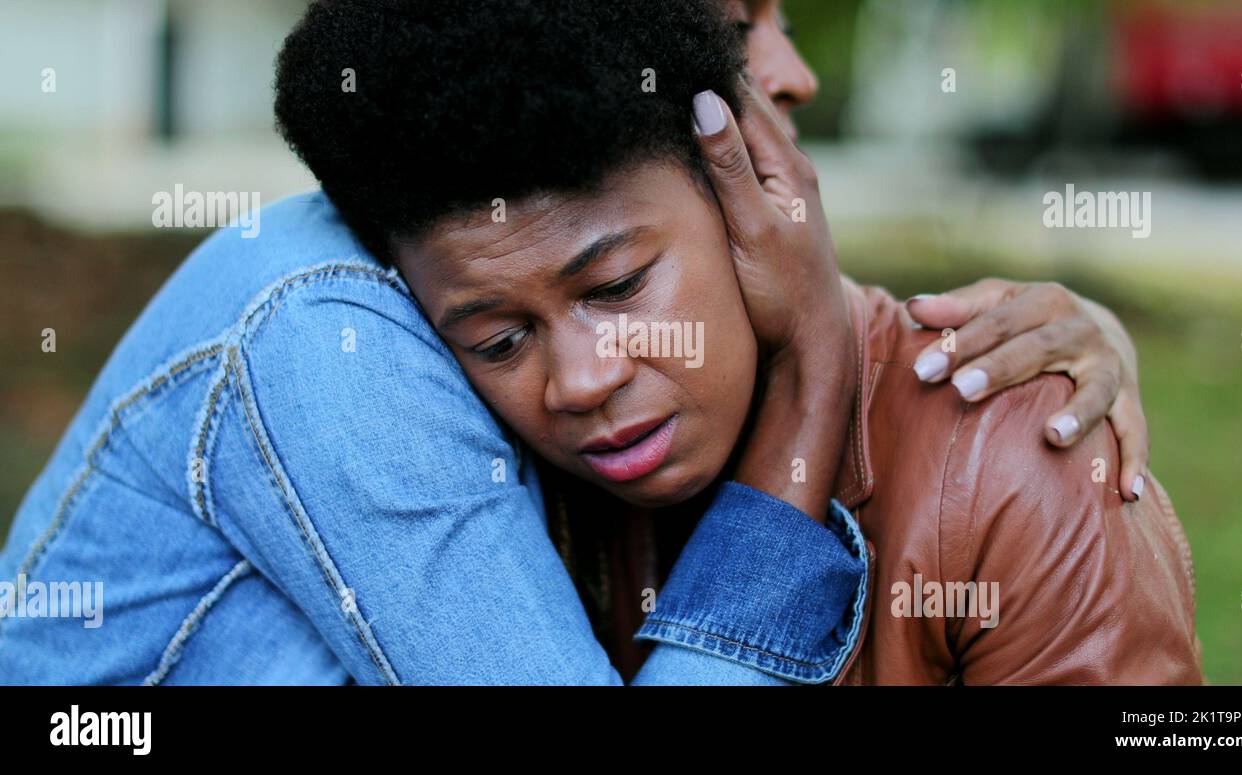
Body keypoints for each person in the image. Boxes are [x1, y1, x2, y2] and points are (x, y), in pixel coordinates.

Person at [0, 0, 1156, 685]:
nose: (583, 381)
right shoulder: (336, 351)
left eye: (618, 287)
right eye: (742, 25)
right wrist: (810, 387)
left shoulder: (1004, 455)